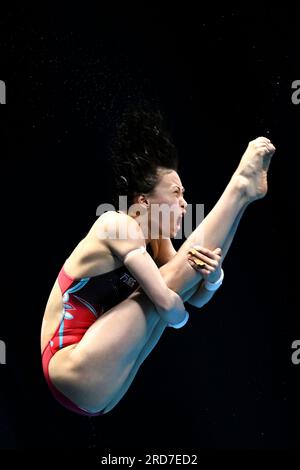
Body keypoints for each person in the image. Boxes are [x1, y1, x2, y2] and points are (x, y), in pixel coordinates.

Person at [41, 109, 276, 416]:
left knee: (181, 274)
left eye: (184, 195)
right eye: (176, 193)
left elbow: (195, 297)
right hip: (71, 365)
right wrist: (180, 310)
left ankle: (243, 199)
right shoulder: (116, 224)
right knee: (166, 289)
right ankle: (238, 187)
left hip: (101, 390)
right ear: (143, 201)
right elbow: (170, 304)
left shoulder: (155, 241)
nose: (184, 204)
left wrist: (213, 276)